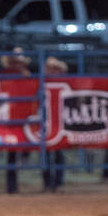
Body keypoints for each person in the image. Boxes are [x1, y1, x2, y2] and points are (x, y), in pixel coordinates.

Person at [0, 47, 31, 194]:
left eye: (19, 62)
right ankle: (12, 186)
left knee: (21, 148)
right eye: (15, 62)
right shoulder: (6, 76)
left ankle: (13, 185)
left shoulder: (26, 76)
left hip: (23, 117)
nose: (17, 65)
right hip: (11, 117)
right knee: (12, 153)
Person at [42, 56, 67, 192]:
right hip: (48, 121)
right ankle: (50, 182)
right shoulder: (42, 82)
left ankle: (57, 181)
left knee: (57, 151)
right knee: (47, 153)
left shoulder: (62, 83)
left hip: (58, 121)